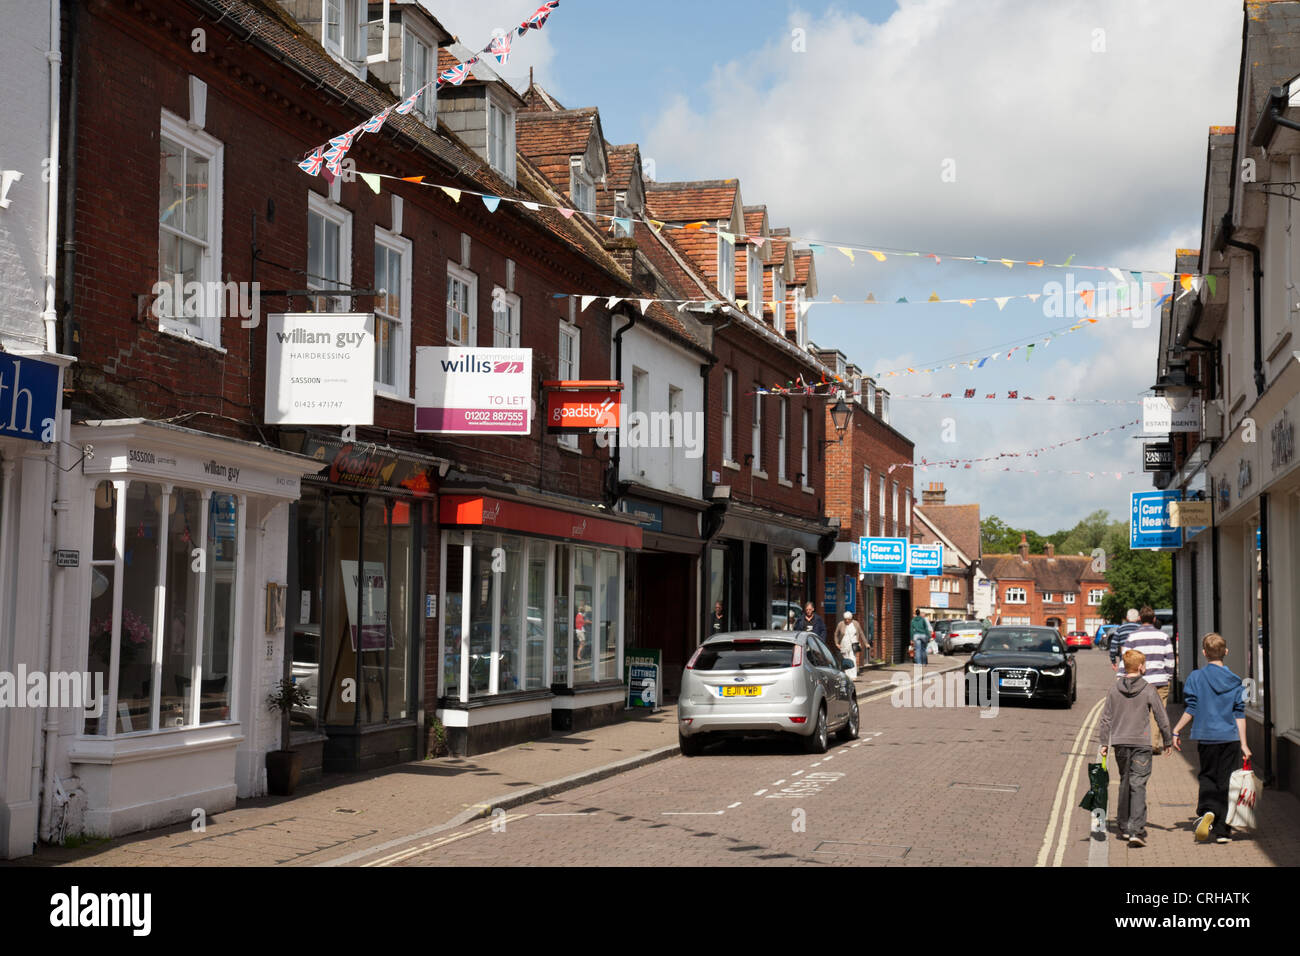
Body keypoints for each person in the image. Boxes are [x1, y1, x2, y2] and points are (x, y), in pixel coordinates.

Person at [1171, 633, 1251, 844]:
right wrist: (1244, 744)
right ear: (1226, 652)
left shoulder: (1196, 678)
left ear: (1204, 653)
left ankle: (1208, 810)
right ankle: (1223, 830)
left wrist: (1176, 730)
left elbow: (1192, 708)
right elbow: (1239, 713)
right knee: (1226, 781)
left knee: (1207, 776)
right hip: (1230, 738)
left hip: (1206, 737)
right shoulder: (1237, 682)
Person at [1097, 649, 1173, 847]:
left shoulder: (1114, 689)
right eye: (1145, 664)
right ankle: (1136, 830)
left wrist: (1104, 742)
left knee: (1124, 782)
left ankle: (1122, 826)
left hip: (1120, 743)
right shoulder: (1148, 689)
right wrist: (1167, 740)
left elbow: (1106, 718)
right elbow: (1161, 716)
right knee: (1138, 784)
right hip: (1141, 743)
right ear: (1140, 667)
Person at [1120, 607, 1174, 748]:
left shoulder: (1132, 637)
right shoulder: (1164, 637)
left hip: (1139, 682)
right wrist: (1168, 676)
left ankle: (1142, 742)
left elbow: (1126, 657)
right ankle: (1153, 744)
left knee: (1140, 712)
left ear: (1139, 619)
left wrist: (1121, 676)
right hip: (1160, 681)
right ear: (1154, 619)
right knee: (1158, 713)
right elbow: (1170, 659)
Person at [835, 611, 865, 678]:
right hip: (844, 644)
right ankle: (848, 675)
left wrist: (866, 643)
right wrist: (837, 643)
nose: (847, 620)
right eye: (846, 619)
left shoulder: (856, 623)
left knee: (853, 659)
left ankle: (854, 676)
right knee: (846, 660)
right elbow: (836, 634)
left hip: (853, 644)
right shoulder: (841, 624)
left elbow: (861, 633)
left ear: (851, 619)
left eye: (848, 619)